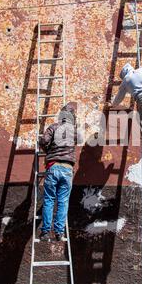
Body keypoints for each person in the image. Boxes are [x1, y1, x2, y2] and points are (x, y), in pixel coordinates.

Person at [39, 102, 83, 241]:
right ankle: (59, 232)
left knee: (49, 200)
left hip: (53, 166)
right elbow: (79, 140)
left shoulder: (53, 127)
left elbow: (44, 141)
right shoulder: (74, 131)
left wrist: (48, 152)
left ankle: (45, 232)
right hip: (67, 169)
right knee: (63, 201)